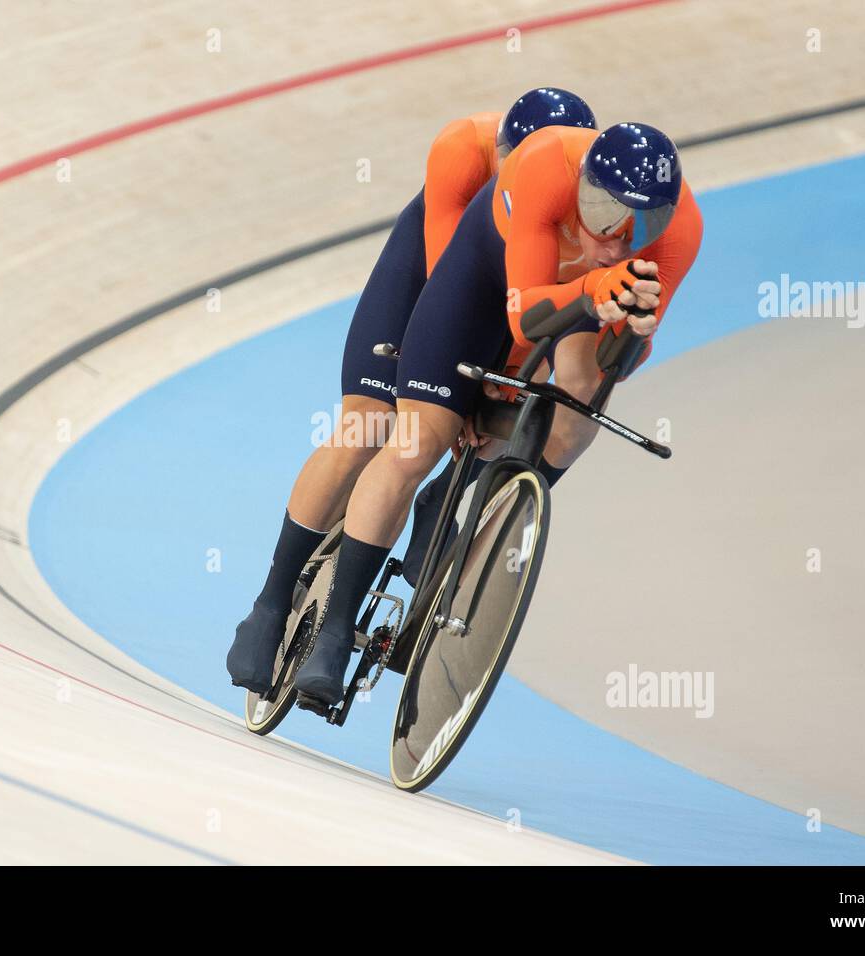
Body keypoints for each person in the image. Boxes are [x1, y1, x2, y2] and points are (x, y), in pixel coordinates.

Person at [293, 122, 704, 706]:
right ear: (585, 193)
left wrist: (634, 331)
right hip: (490, 274)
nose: (619, 243)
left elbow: (621, 362)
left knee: (584, 401)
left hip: (580, 292)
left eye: (640, 231)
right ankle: (331, 633)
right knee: (414, 444)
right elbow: (524, 323)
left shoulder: (681, 232)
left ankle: (489, 506)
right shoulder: (544, 164)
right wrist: (594, 290)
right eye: (608, 223)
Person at [226, 90, 597, 694]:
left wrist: (500, 393)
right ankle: (269, 603)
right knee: (365, 429)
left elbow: (542, 321)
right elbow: (448, 287)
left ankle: (453, 498)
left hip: (520, 293)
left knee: (530, 410)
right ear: (499, 156)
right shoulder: (463, 150)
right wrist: (454, 389)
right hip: (438, 276)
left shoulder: (586, 211)